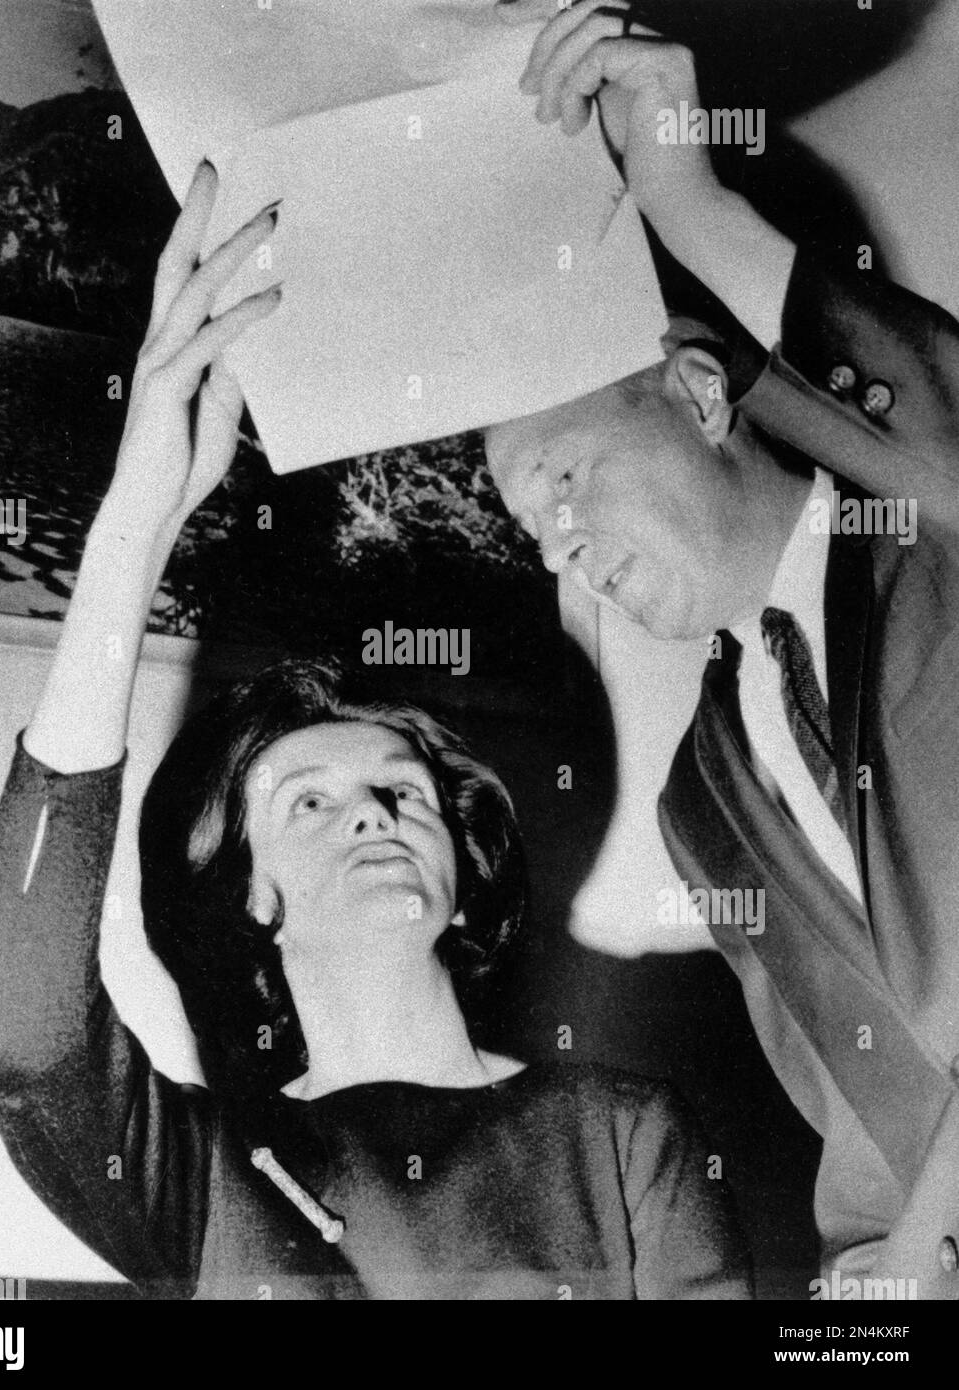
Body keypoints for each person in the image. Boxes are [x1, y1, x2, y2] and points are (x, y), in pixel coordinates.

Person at [0, 160, 749, 1300]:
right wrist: (139, 517)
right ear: (250, 897)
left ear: (464, 867)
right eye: (308, 805)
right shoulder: (216, 1172)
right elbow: (17, 1027)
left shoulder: (623, 1133)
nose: (375, 809)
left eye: (404, 788)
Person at [487, 0, 959, 1296]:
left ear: (699, 393)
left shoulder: (927, 519)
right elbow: (859, 1095)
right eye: (529, 526)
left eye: (563, 478)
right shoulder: (702, 793)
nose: (554, 546)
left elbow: (898, 379)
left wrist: (682, 194)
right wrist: (867, 1272)